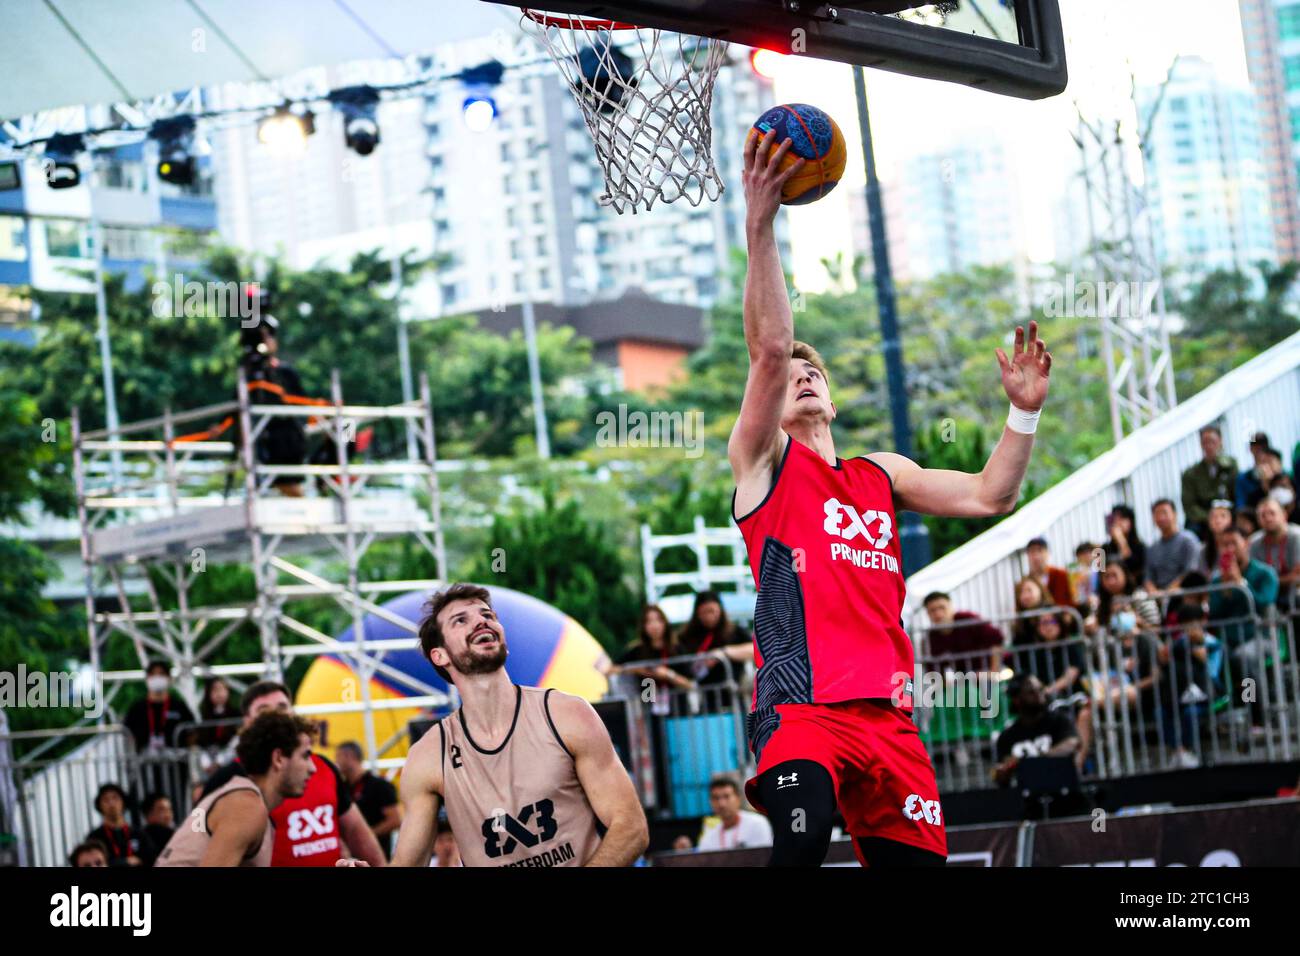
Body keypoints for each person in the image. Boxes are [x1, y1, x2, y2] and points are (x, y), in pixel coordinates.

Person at [728, 129, 1052, 868]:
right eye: (793, 378)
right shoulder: (761, 463)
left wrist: (1023, 413)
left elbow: (990, 495)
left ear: (834, 401)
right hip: (802, 710)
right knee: (802, 842)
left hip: (891, 720)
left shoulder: (880, 473)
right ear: (769, 405)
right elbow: (773, 349)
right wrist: (760, 224)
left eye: (819, 374)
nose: (805, 377)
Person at [389, 584, 649, 867]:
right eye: (461, 620)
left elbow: (631, 827)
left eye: (487, 614)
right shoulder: (428, 756)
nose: (481, 621)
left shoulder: (567, 714)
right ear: (440, 655)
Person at [198, 680, 387, 867]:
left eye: (282, 707)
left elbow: (355, 831)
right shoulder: (228, 778)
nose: (276, 716)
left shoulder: (322, 767)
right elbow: (200, 846)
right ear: (247, 721)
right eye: (264, 711)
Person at [156, 710, 317, 867]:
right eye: (305, 756)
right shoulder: (246, 807)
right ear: (278, 758)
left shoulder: (246, 801)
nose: (313, 768)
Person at [1156, 603, 1217, 769]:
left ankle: (1190, 750)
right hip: (1179, 694)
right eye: (1186, 623)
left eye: (1193, 622)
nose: (1189, 627)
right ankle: (1178, 751)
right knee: (1161, 712)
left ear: (1202, 621)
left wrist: (1200, 654)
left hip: (1206, 693)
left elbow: (1214, 673)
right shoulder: (1176, 644)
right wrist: (1163, 659)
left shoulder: (1213, 643)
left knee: (1190, 713)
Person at [991, 675, 1079, 787]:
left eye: (1041, 689)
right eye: (1031, 692)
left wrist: (1033, 760)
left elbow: (1072, 744)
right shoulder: (1007, 736)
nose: (1039, 694)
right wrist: (1004, 771)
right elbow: (1001, 774)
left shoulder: (1059, 720)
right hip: (1027, 796)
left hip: (1062, 788)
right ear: (1017, 700)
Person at [674, 590, 753, 696]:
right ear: (697, 613)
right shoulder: (686, 636)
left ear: (720, 610)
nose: (709, 616)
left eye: (712, 611)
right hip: (704, 696)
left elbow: (754, 650)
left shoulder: (735, 631)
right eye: (704, 612)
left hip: (733, 693)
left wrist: (723, 653)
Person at [335, 741, 401, 860]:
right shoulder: (342, 788)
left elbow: (395, 820)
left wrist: (366, 836)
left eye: (338, 756)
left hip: (377, 857)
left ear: (349, 756)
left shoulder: (380, 785)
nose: (336, 762)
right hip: (349, 858)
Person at [919, 591, 1005, 672]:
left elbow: (996, 639)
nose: (938, 614)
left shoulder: (968, 619)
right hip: (964, 679)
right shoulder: (931, 637)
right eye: (933, 610)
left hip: (988, 673)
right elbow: (933, 667)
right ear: (928, 613)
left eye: (942, 608)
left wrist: (994, 671)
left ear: (951, 606)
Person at [123, 661, 195, 753]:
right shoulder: (137, 708)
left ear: (169, 678)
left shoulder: (179, 707)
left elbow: (192, 732)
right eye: (153, 674)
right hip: (143, 763)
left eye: (161, 674)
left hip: (176, 762)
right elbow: (126, 734)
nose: (157, 677)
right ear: (147, 679)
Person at [1181, 424, 1238, 539]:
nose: (1209, 446)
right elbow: (1190, 505)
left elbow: (1235, 493)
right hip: (1203, 519)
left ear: (1220, 441)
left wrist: (1224, 515)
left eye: (1212, 441)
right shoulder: (1190, 473)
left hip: (1227, 512)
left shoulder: (1230, 465)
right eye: (1205, 442)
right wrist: (1211, 517)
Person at [1014, 612, 1084, 699]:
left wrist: (1048, 690)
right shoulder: (1035, 651)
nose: (1048, 627)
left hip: (1073, 696)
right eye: (1043, 623)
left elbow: (1070, 676)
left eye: (1052, 622)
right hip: (1044, 699)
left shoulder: (1070, 646)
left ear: (1060, 623)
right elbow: (1032, 676)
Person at [84, 783, 154, 867]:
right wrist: (125, 861)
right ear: (99, 806)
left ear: (123, 802)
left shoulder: (139, 834)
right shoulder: (94, 837)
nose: (111, 803)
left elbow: (152, 859)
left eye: (115, 798)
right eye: (106, 800)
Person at [696, 776, 773, 852]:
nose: (721, 804)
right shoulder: (709, 836)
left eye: (726, 796)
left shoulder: (757, 823)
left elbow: (762, 858)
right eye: (716, 798)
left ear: (738, 799)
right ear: (710, 802)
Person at [1250, 497, 1300, 613]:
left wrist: (1269, 582)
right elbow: (1254, 577)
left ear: (1284, 515)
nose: (1268, 518)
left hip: (1294, 592)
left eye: (1272, 513)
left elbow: (1297, 576)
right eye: (1263, 515)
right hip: (1270, 595)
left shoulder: (1297, 536)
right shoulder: (1254, 543)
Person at [1143, 498, 1202, 593]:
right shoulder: (1152, 548)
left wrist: (1169, 592)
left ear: (1175, 514)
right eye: (1157, 514)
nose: (1161, 518)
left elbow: (1191, 571)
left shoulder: (1188, 540)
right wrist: (1154, 592)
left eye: (1164, 513)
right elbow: (1148, 578)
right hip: (1158, 595)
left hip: (1183, 592)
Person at [1025, 537, 1075, 607]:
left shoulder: (1062, 575)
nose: (1036, 556)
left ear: (1048, 553)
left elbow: (1073, 599)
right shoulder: (1025, 582)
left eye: (1040, 550)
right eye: (1032, 552)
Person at [1102, 504, 1146, 583]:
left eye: (1122, 518)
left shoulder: (1140, 547)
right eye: (1114, 519)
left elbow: (1134, 568)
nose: (1117, 523)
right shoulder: (1104, 548)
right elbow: (1100, 574)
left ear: (1131, 522)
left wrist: (1121, 540)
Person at [196, 676, 239, 751]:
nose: (219, 694)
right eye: (215, 690)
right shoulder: (203, 716)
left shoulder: (236, 714)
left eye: (222, 689)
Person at [1236, 433, 1275, 511]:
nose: (1259, 449)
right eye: (1255, 445)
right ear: (1250, 448)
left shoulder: (1279, 473)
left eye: (1262, 445)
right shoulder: (1243, 478)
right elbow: (1241, 506)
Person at [1197, 501, 1235, 576]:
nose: (1218, 521)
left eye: (1223, 516)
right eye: (1214, 517)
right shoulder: (1204, 550)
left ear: (1231, 520)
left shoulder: (1237, 545)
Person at [141, 792, 175, 865]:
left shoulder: (173, 833)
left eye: (169, 809)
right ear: (148, 814)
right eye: (162, 810)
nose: (168, 814)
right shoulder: (142, 838)